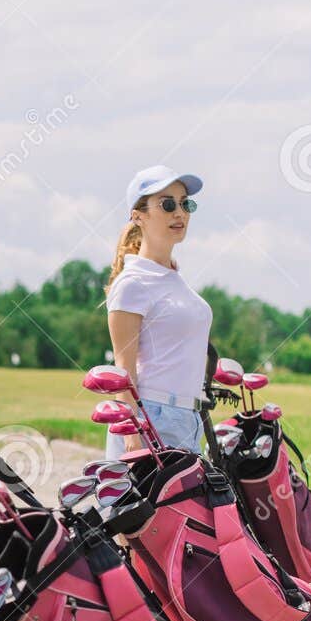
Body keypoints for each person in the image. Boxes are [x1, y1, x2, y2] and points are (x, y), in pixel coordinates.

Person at [103, 164, 212, 457]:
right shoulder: (132, 283)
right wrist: (132, 439)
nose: (179, 213)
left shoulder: (174, 280)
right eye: (167, 204)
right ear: (138, 216)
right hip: (151, 420)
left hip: (188, 419)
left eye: (185, 203)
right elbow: (123, 373)